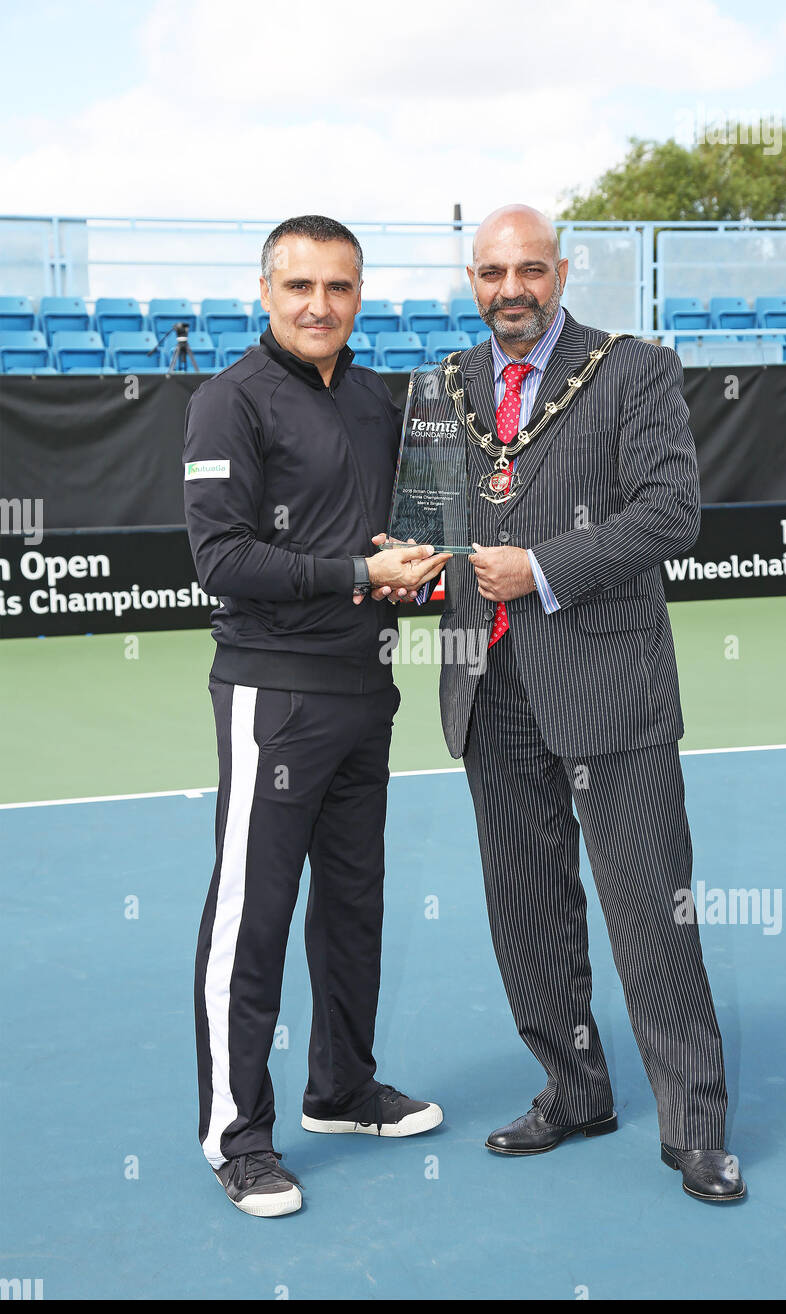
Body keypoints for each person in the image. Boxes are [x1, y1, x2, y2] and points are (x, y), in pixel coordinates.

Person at [435, 203, 745, 1202]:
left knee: (649, 909)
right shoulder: (443, 385)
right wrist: (404, 567)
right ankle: (570, 1088)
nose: (509, 288)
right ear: (470, 280)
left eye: (528, 268)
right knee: (524, 908)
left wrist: (539, 566)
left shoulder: (632, 369)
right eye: (491, 272)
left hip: (607, 682)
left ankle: (693, 1125)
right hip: (485, 681)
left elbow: (669, 513)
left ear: (559, 272)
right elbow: (431, 519)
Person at [183, 214, 448, 1218]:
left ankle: (340, 1088)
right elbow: (220, 558)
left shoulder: (380, 400)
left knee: (352, 905)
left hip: (363, 688)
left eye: (338, 287)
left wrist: (406, 574)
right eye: (298, 285)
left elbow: (393, 531)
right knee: (250, 918)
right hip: (272, 693)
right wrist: (353, 574)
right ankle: (235, 1135)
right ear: (265, 291)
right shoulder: (227, 403)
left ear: (358, 293)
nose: (318, 305)